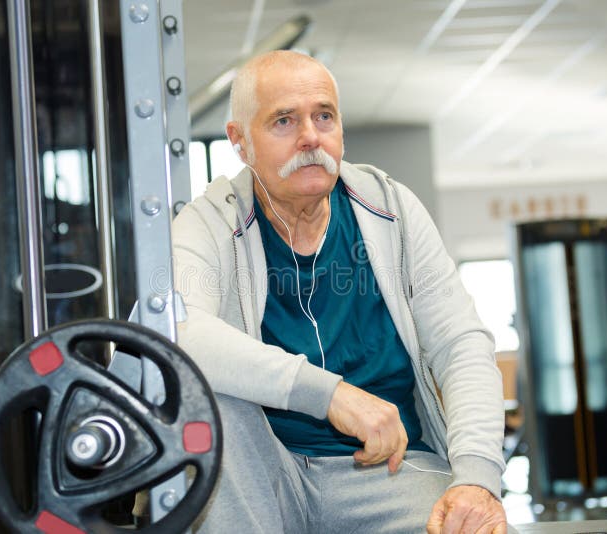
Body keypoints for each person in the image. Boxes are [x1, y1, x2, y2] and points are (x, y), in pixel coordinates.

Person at [174, 50, 508, 533]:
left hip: (390, 472)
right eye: (284, 121)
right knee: (211, 390)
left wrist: (477, 478)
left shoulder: (391, 208)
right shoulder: (209, 221)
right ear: (240, 142)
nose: (311, 136)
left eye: (323, 116)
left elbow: (462, 345)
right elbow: (178, 328)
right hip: (267, 476)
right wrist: (328, 394)